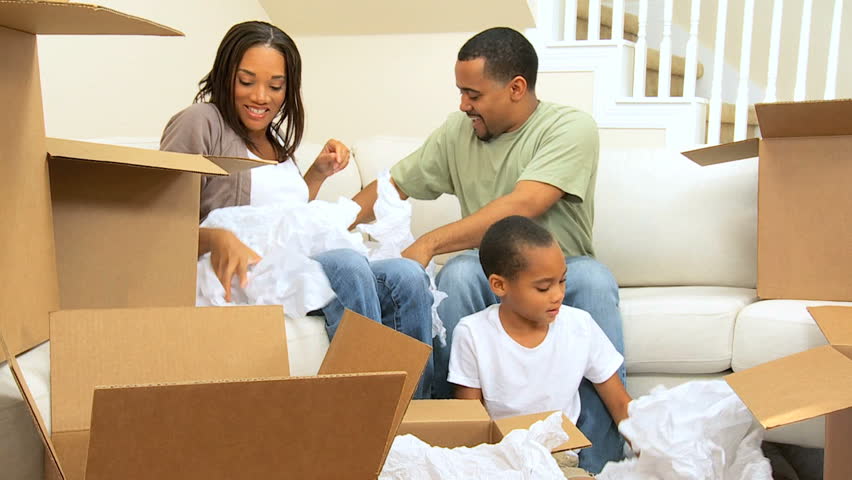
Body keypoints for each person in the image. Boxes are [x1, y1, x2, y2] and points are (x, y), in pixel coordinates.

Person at [350, 27, 626, 470]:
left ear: (516, 88)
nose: (463, 105)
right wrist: (323, 227)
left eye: (473, 94)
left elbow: (524, 205)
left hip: (562, 269)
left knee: (594, 279)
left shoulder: (570, 127)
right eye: (461, 92)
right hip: (489, 269)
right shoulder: (458, 131)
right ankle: (461, 452)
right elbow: (392, 186)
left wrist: (430, 241)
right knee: (459, 273)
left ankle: (595, 465)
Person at [160, 21, 434, 397]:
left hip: (285, 264)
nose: (261, 97)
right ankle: (362, 411)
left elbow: (283, 221)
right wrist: (215, 238)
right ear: (226, 74)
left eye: (275, 86)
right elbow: (157, 228)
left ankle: (417, 414)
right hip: (238, 272)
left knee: (406, 275)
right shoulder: (201, 122)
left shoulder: (272, 139)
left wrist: (316, 175)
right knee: (347, 265)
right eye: (246, 81)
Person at [448, 216, 631, 474]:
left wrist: (655, 453)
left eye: (562, 281)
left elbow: (621, 404)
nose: (558, 295)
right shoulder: (472, 333)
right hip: (501, 460)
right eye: (544, 288)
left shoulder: (579, 325)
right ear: (499, 285)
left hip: (559, 459)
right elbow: (470, 422)